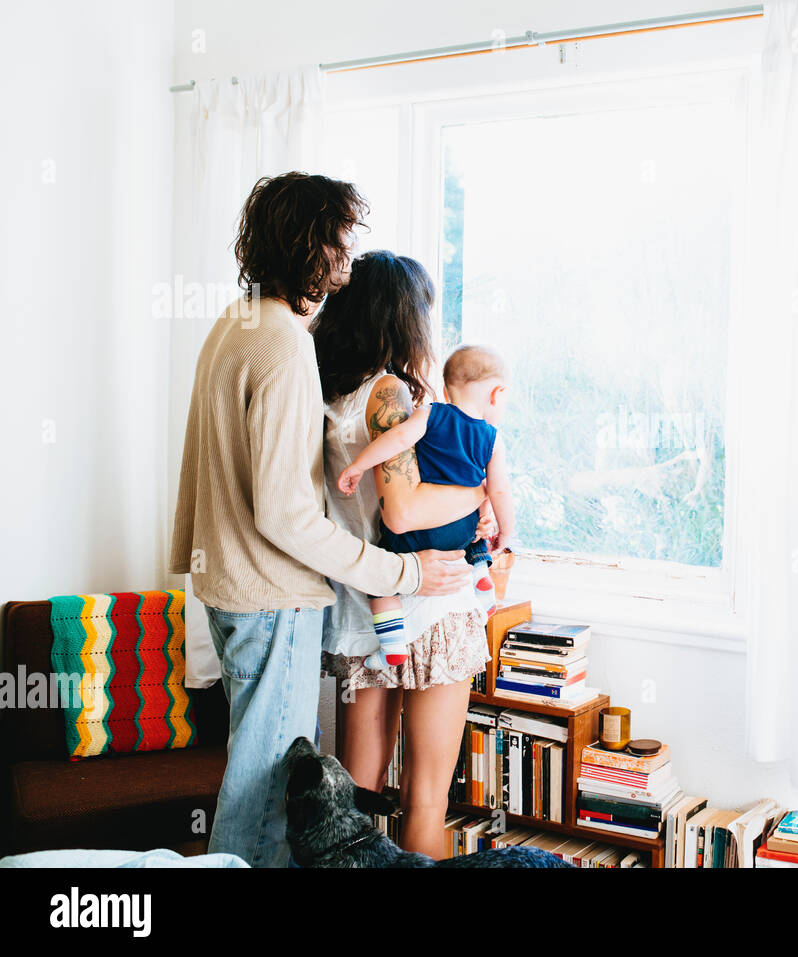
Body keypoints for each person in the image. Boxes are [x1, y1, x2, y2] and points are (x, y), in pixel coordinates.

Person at [168, 174, 483, 868]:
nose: (347, 256)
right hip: (272, 594)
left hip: (229, 585)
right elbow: (286, 513)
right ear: (311, 244)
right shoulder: (284, 346)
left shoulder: (237, 322)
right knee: (266, 787)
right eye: (340, 239)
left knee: (307, 789)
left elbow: (202, 458)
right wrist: (405, 567)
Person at [313, 250, 501, 859]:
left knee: (356, 804)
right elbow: (403, 510)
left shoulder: (333, 395)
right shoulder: (389, 393)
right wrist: (482, 492)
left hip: (366, 603)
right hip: (426, 600)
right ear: (404, 317)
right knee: (426, 802)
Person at [338, 343, 516, 669]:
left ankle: (391, 645)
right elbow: (499, 491)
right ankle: (481, 575)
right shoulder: (492, 438)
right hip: (462, 531)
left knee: (381, 575)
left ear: (446, 390)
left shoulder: (431, 413)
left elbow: (397, 439)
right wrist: (506, 532)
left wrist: (358, 466)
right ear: (496, 394)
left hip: (421, 532)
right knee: (478, 533)